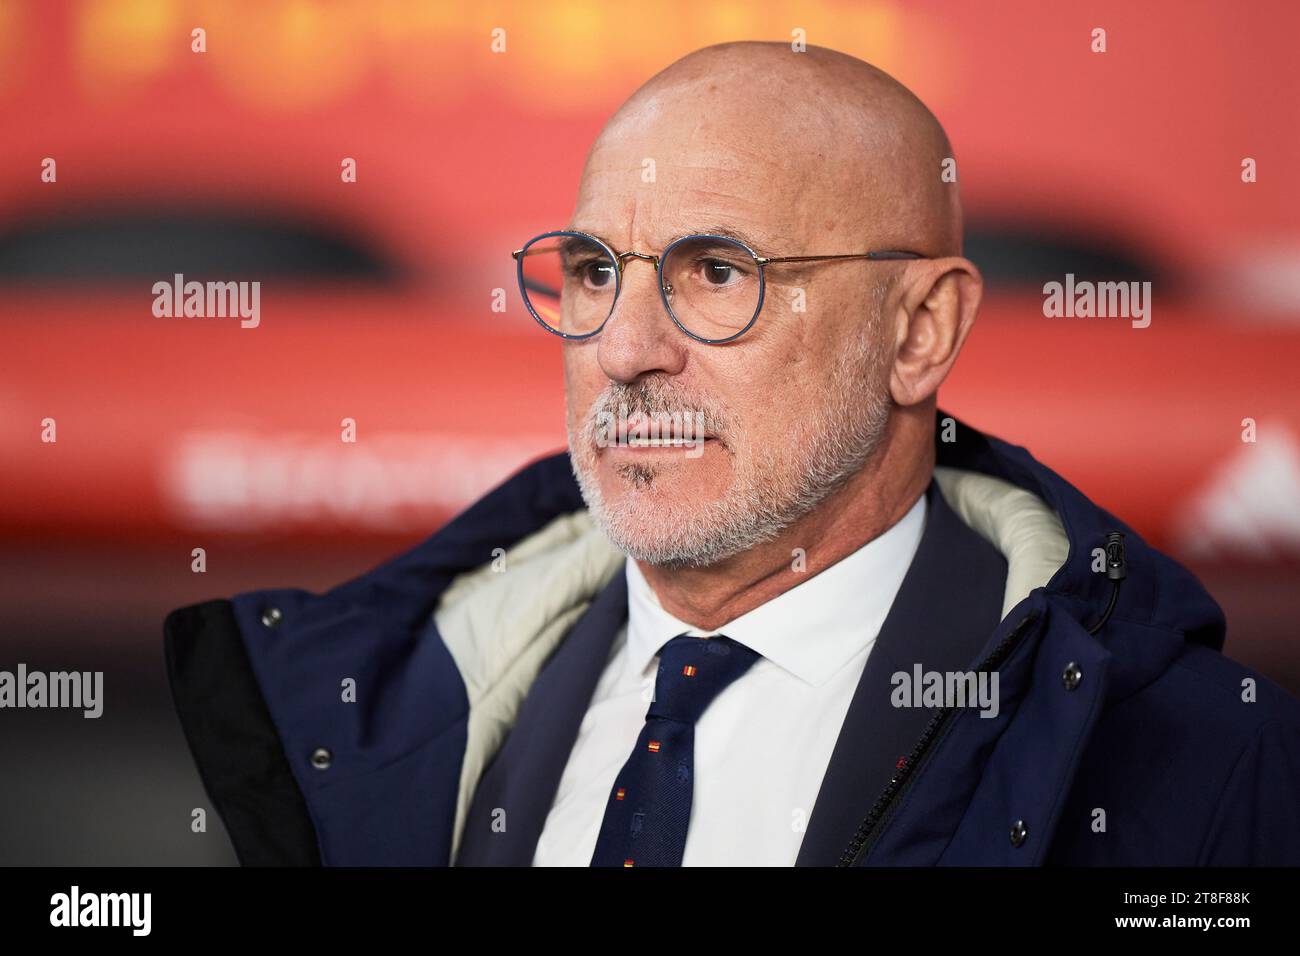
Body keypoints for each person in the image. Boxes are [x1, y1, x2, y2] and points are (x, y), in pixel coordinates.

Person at [164, 41, 1300, 866]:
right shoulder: (369, 712)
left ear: (918, 333)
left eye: (716, 273)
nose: (622, 349)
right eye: (597, 272)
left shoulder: (1201, 760)